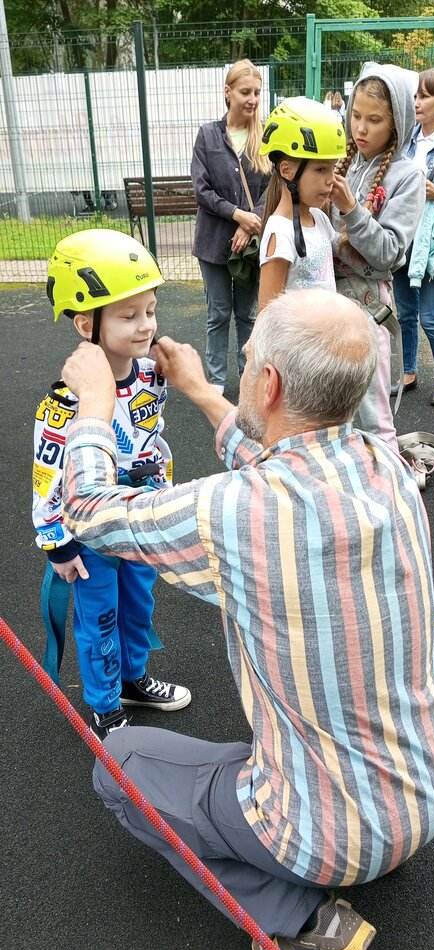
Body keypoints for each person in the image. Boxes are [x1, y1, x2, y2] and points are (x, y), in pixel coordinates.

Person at [60, 288, 434, 950]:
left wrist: (93, 402)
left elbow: (91, 511)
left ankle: (299, 923)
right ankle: (357, 846)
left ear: (269, 384)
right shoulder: (386, 465)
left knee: (120, 760)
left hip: (335, 835)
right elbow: (275, 456)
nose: (241, 370)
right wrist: (201, 392)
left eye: (246, 363)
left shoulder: (234, 514)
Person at [33, 228, 191, 740]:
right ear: (87, 323)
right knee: (99, 617)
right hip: (90, 536)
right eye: (129, 315)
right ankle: (104, 705)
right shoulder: (64, 403)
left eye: (150, 310)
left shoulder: (150, 375)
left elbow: (154, 440)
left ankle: (132, 678)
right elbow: (47, 476)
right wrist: (56, 543)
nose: (146, 326)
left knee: (140, 606)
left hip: (140, 520)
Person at [329, 62, 426, 451]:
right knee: (332, 409)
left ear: (397, 123)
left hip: (368, 310)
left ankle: (391, 498)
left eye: (374, 120)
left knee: (372, 414)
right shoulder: (346, 161)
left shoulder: (408, 177)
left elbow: (387, 256)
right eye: (355, 115)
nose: (361, 128)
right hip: (327, 304)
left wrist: (351, 211)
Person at [191, 59, 271, 393]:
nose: (252, 99)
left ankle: (249, 377)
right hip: (213, 243)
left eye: (256, 92)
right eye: (244, 92)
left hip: (250, 245)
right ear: (228, 92)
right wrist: (237, 216)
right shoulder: (208, 135)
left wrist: (250, 226)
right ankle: (218, 381)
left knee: (248, 314)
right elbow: (201, 189)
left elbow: (275, 185)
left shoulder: (265, 136)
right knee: (218, 314)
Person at [391, 68, 434, 406]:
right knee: (404, 313)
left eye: (424, 96)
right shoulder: (406, 141)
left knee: (431, 316)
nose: (416, 102)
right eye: (415, 96)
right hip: (403, 239)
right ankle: (408, 370)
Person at [257, 97, 346, 309]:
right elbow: (266, 314)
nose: (331, 179)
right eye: (321, 169)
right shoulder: (280, 233)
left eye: (333, 168)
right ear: (287, 170)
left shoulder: (319, 218)